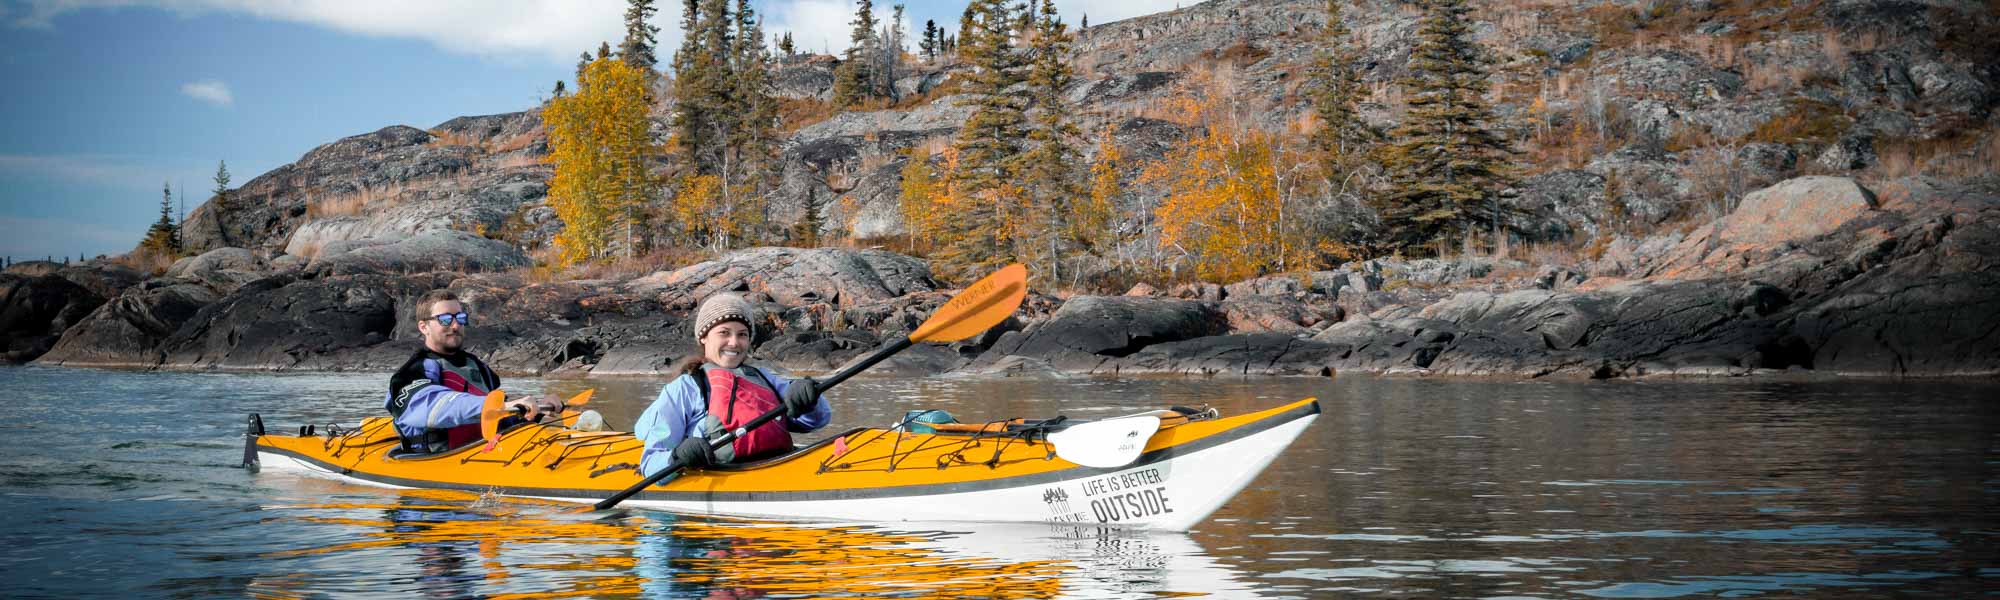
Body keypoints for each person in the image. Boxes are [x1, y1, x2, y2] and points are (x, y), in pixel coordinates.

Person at [635, 293, 829, 476]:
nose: (734, 342)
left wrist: (810, 400)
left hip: (776, 465)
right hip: (718, 474)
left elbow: (815, 421)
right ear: (704, 337)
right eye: (724, 333)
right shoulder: (684, 388)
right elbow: (650, 463)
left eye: (742, 334)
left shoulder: (764, 378)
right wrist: (676, 456)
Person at [384, 289, 559, 454]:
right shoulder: (411, 372)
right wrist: (495, 406)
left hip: (479, 453)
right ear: (424, 327)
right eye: (445, 319)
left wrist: (536, 410)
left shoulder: (478, 367)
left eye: (460, 318)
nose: (455, 325)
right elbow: (432, 406)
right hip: (434, 459)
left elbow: (500, 421)